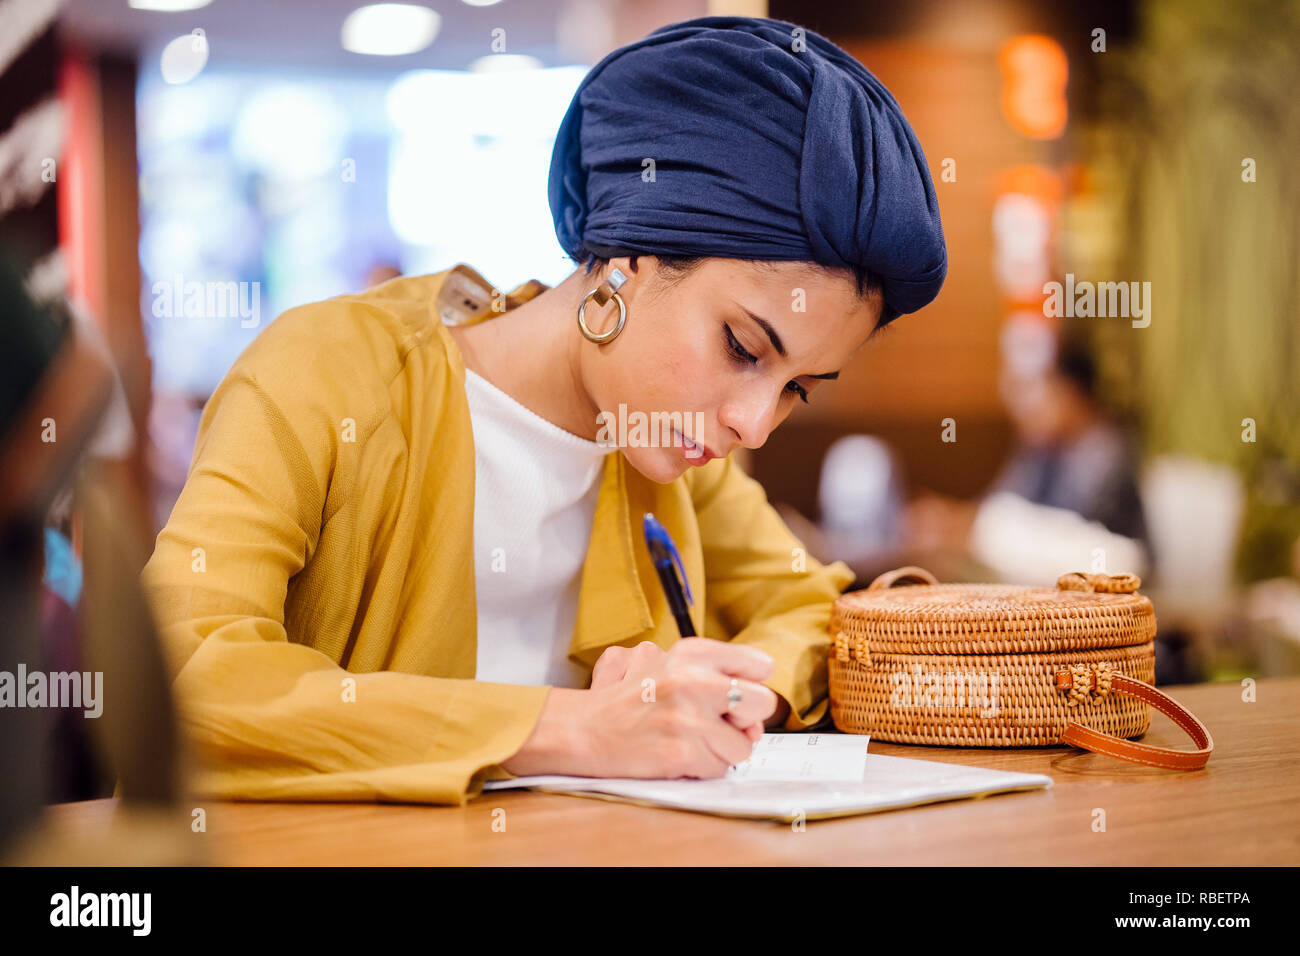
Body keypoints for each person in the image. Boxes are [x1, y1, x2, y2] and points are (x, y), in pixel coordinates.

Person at [140, 16, 947, 804]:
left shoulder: (663, 451)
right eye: (742, 346)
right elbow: (184, 673)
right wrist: (578, 728)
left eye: (798, 387)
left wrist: (729, 701)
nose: (755, 424)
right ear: (629, 252)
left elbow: (811, 606)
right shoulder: (326, 374)